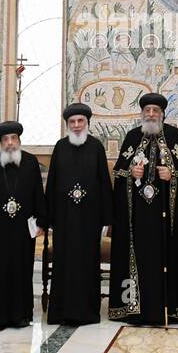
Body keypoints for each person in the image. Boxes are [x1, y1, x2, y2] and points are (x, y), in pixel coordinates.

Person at [109, 93, 178, 325]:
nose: (151, 114)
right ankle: (133, 308)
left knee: (168, 256)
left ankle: (172, 308)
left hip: (167, 219)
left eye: (155, 111)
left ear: (162, 114)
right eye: (147, 110)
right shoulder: (131, 138)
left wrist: (172, 175)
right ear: (142, 113)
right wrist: (131, 173)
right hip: (138, 218)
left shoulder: (174, 136)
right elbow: (120, 174)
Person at [44, 103, 113, 326]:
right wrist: (49, 218)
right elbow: (52, 182)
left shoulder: (96, 147)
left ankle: (88, 312)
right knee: (64, 263)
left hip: (88, 219)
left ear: (87, 123)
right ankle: (60, 312)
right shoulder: (60, 147)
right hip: (64, 219)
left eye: (80, 121)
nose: (76, 125)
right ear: (67, 125)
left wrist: (105, 219)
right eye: (72, 122)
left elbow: (104, 183)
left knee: (86, 263)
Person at [0, 122, 46, 329]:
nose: (9, 144)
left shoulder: (31, 162)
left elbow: (38, 194)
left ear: (19, 140)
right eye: (5, 140)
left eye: (13, 139)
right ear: (0, 143)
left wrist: (41, 221)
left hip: (23, 228)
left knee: (21, 269)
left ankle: (21, 315)